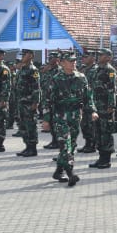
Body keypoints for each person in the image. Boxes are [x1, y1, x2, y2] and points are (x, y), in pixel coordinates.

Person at [43, 52, 96, 187]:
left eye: (74, 61)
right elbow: (47, 101)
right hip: (60, 116)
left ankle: (59, 171)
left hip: (75, 116)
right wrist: (46, 120)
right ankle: (71, 174)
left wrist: (92, 111)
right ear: (62, 63)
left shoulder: (81, 77)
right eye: (69, 61)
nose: (73, 63)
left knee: (71, 145)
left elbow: (87, 97)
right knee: (65, 145)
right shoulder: (55, 79)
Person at [88, 48, 117, 169]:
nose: (98, 56)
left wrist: (111, 106)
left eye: (101, 55)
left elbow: (113, 90)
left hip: (106, 107)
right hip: (97, 106)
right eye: (98, 54)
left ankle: (106, 160)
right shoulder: (97, 70)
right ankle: (101, 157)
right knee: (98, 133)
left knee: (106, 133)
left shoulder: (110, 70)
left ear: (108, 57)